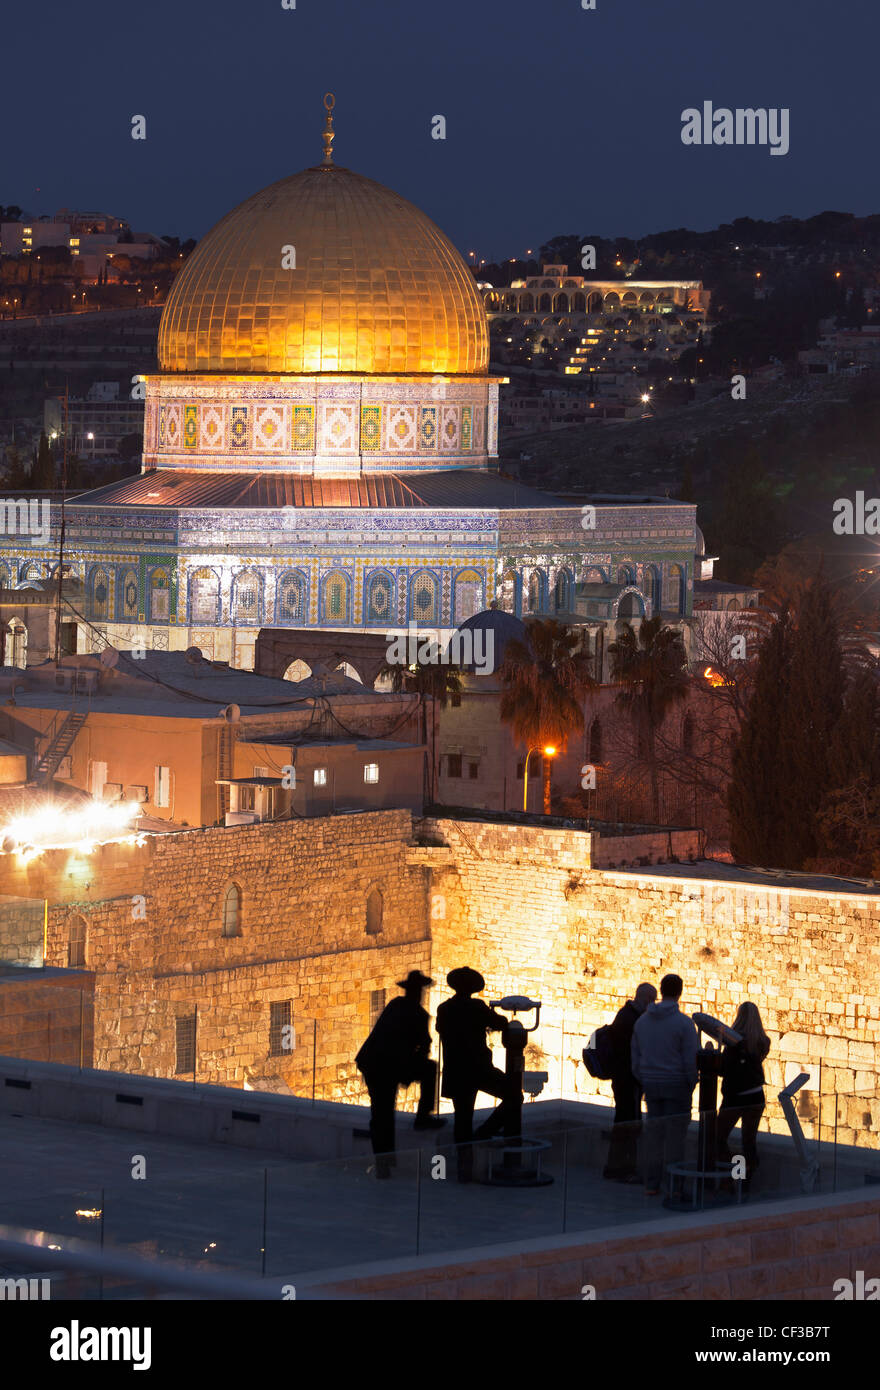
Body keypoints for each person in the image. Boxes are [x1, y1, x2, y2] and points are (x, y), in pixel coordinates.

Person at [355, 969, 445, 1177]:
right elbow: (424, 1046)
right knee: (429, 1069)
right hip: (387, 1066)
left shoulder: (394, 1004)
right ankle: (422, 1117)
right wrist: (410, 1071)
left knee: (381, 1114)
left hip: (374, 1064)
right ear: (420, 992)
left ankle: (383, 1163)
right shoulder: (419, 1014)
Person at [435, 967, 516, 1180]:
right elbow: (500, 1023)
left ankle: (465, 1170)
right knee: (514, 1095)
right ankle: (484, 1132)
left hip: (455, 1071)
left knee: (462, 1120)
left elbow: (441, 1030)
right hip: (479, 1069)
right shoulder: (477, 1007)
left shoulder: (444, 1009)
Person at [631, 973, 698, 1196]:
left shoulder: (642, 1022)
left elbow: (635, 1057)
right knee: (675, 1140)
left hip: (651, 1085)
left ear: (660, 990)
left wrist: (645, 1078)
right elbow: (690, 1059)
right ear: (679, 992)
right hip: (676, 1085)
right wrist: (691, 1082)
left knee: (654, 1136)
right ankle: (675, 1186)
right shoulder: (684, 1024)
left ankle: (652, 1184)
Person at [603, 981, 657, 1183]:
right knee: (631, 1124)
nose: (652, 1004)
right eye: (651, 1000)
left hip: (622, 1079)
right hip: (628, 1080)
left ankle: (614, 1166)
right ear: (644, 999)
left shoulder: (624, 1015)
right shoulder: (633, 1020)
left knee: (622, 1122)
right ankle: (626, 1169)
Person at [716, 1001, 771, 1185]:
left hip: (735, 1097)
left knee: (717, 1137)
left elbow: (725, 1069)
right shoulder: (763, 1042)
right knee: (748, 1140)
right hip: (756, 1095)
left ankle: (733, 1175)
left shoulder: (734, 1042)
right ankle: (744, 1179)